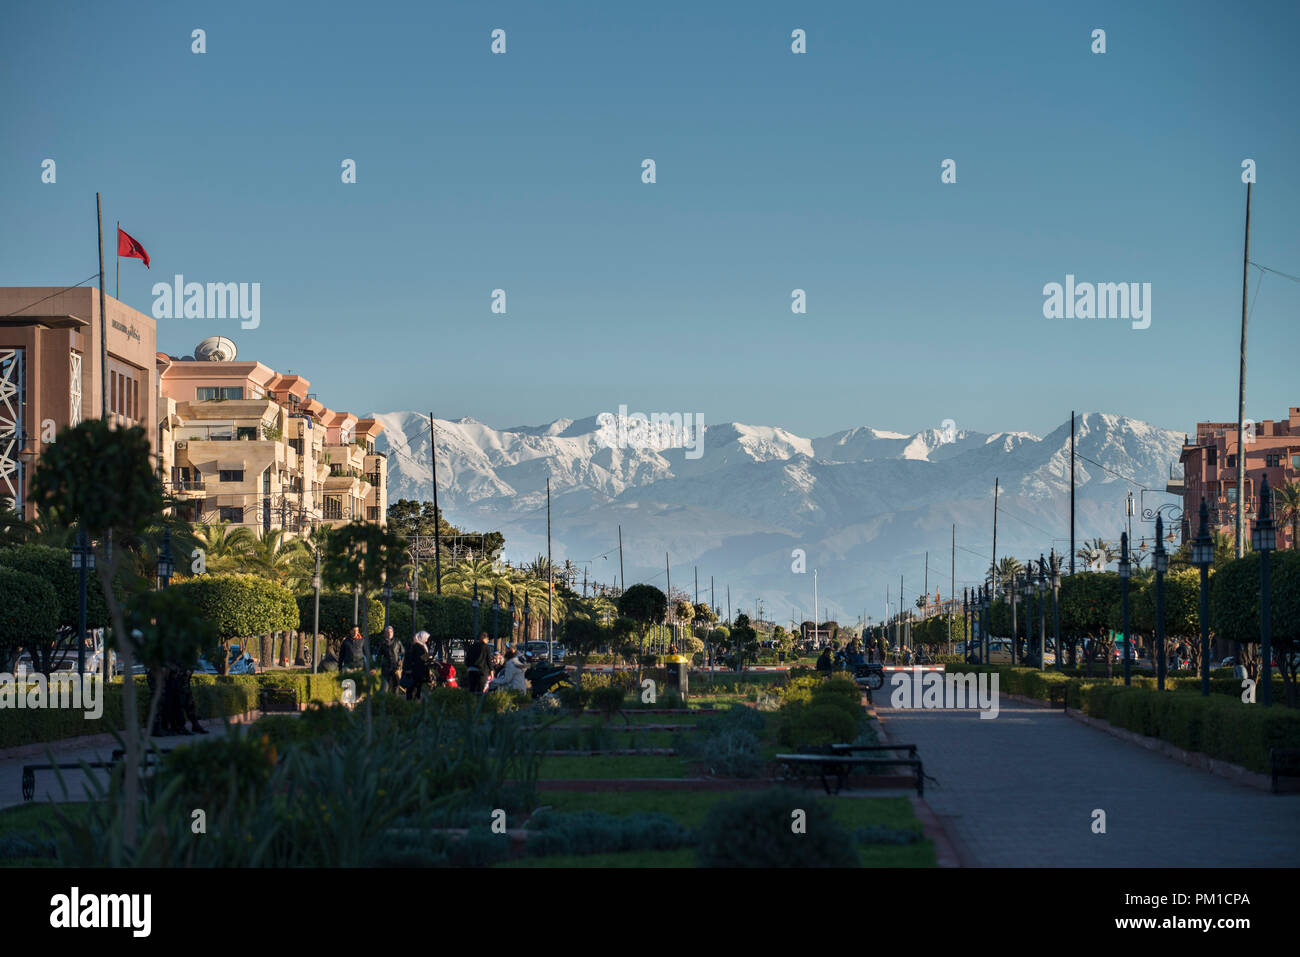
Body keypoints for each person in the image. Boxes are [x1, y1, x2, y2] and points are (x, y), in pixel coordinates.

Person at [400, 632, 433, 700]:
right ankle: (414, 705)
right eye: (426, 638)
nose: (426, 640)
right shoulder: (417, 646)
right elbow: (419, 658)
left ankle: (413, 702)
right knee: (414, 690)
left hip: (418, 671)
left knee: (414, 690)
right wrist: (429, 656)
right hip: (417, 672)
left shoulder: (421, 646)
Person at [378, 625, 404, 693]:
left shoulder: (397, 641)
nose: (389, 633)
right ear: (385, 633)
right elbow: (379, 656)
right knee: (384, 688)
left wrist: (401, 663)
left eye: (391, 632)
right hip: (386, 668)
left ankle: (394, 702)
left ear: (393, 633)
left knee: (395, 689)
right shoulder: (382, 643)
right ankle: (382, 703)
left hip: (396, 668)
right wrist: (377, 666)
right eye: (387, 632)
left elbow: (403, 653)